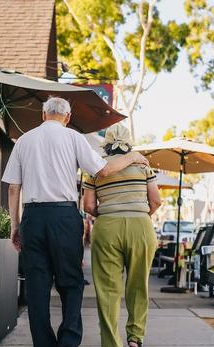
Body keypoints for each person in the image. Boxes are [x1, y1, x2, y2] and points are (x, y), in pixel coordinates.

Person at [2, 97, 149, 347]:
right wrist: (133, 156)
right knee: (71, 283)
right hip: (64, 217)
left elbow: (13, 188)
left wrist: (15, 225)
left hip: (33, 218)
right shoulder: (73, 138)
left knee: (37, 288)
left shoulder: (24, 140)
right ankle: (68, 341)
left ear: (42, 114)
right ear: (68, 117)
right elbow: (102, 170)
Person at [82, 124, 162, 347]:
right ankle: (135, 337)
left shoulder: (96, 168)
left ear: (105, 142)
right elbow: (155, 201)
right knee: (138, 285)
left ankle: (111, 343)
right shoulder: (143, 166)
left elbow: (88, 205)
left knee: (107, 290)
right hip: (141, 227)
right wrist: (139, 213)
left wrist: (109, 212)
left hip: (107, 228)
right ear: (129, 142)